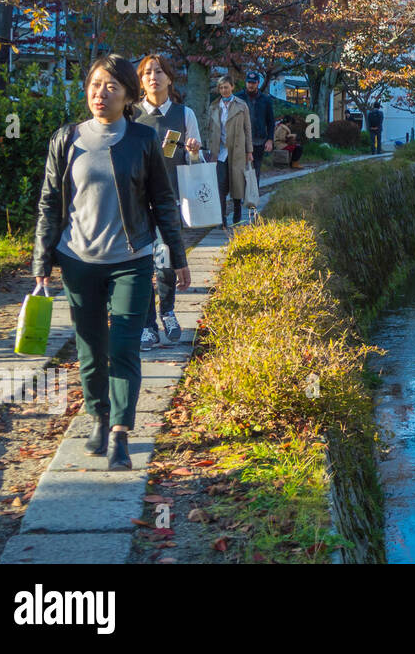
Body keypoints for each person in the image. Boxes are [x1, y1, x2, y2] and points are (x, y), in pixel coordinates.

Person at [33, 54, 189, 471]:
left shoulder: (142, 140)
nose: (100, 94)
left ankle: (121, 431)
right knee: (90, 348)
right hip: (78, 260)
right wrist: (42, 260)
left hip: (131, 259)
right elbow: (50, 203)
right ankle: (97, 417)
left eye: (111, 87)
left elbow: (163, 201)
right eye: (95, 85)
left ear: (128, 95)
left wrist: (176, 255)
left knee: (123, 346)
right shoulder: (66, 139)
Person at [135, 54, 202, 351]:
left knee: (165, 263)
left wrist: (193, 151)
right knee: (141, 266)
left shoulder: (184, 114)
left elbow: (194, 162)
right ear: (140, 81)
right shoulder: (130, 114)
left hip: (169, 201)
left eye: (159, 71)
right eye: (147, 72)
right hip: (135, 203)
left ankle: (168, 312)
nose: (154, 77)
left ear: (170, 78)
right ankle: (147, 325)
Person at [205, 76, 253, 229]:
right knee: (220, 186)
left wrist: (249, 151)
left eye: (226, 87)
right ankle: (222, 220)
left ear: (232, 87)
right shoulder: (214, 106)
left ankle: (237, 218)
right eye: (221, 88)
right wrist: (208, 149)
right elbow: (209, 129)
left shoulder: (241, 105)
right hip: (219, 152)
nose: (224, 90)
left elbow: (248, 129)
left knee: (237, 185)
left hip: (237, 150)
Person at [236, 71, 275, 186]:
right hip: (241, 140)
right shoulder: (238, 98)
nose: (251, 85)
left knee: (255, 169)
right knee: (240, 169)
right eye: (249, 82)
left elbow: (271, 121)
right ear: (246, 82)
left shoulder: (265, 100)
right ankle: (241, 196)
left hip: (259, 140)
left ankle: (253, 197)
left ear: (258, 83)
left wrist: (270, 139)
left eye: (253, 82)